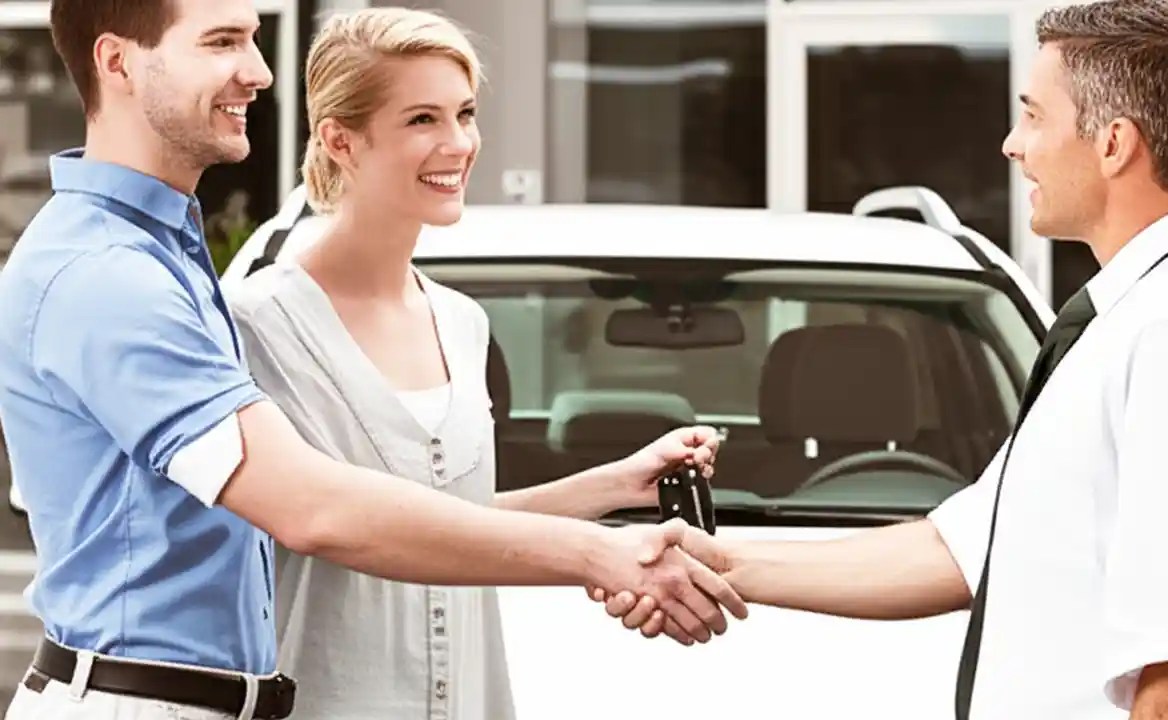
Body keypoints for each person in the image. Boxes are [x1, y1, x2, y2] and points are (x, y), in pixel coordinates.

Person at [0, 1, 744, 719]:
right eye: (221, 41)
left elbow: (408, 513)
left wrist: (604, 495)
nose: (259, 71)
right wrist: (597, 553)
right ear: (117, 62)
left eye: (254, 38)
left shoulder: (157, 256)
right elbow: (314, 510)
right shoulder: (106, 274)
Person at [599, 0, 1168, 718]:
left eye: (1035, 116)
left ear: (1113, 145)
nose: (1013, 146)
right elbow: (955, 552)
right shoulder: (1136, 322)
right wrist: (717, 562)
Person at [223, 8, 732, 718]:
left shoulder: (463, 323)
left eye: (464, 113)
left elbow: (454, 522)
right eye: (422, 120)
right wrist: (591, 551)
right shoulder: (255, 325)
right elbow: (333, 523)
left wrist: (616, 484)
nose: (458, 143)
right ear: (341, 139)